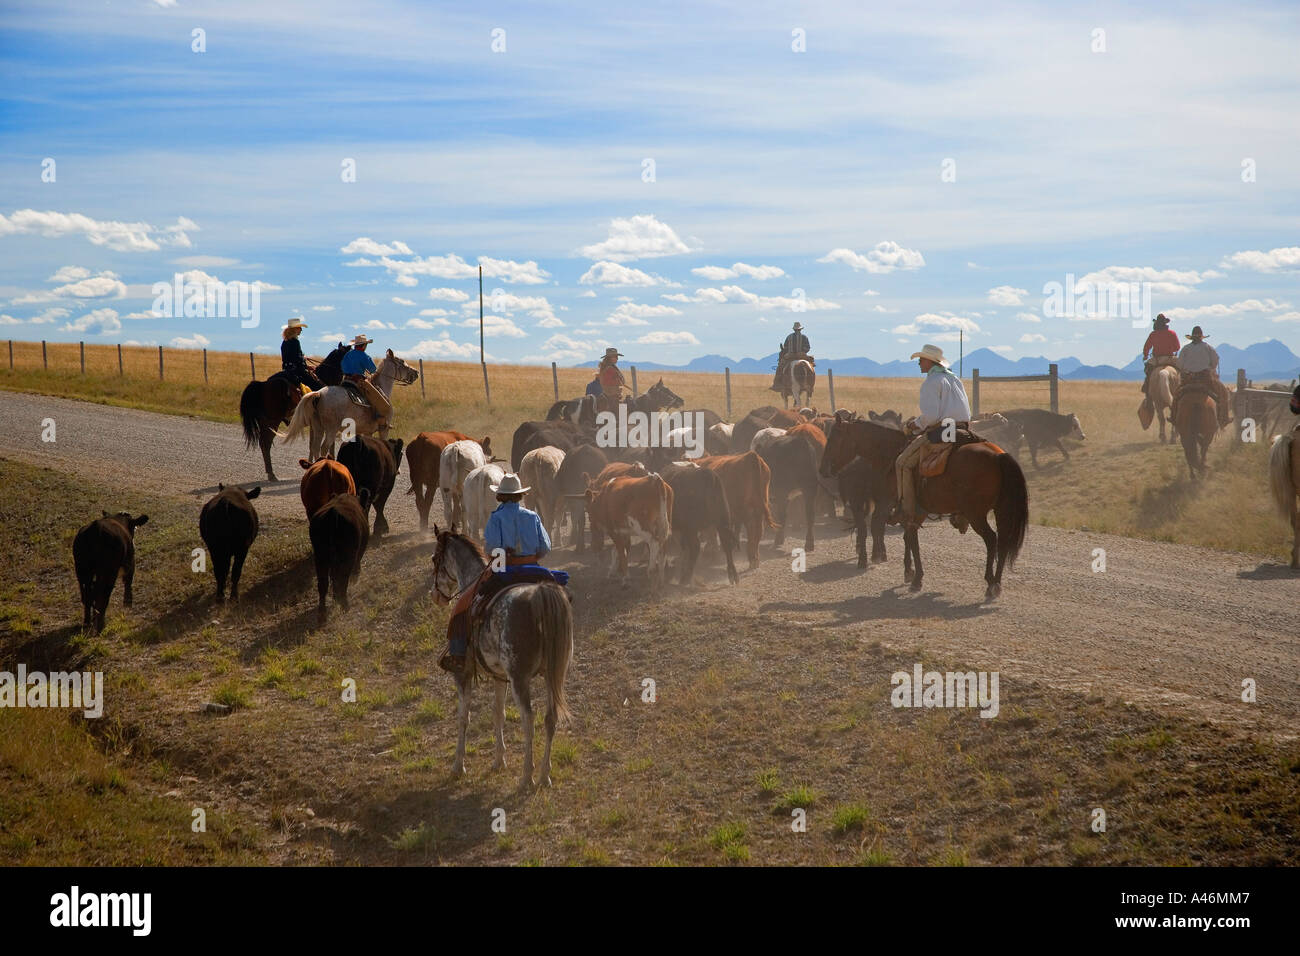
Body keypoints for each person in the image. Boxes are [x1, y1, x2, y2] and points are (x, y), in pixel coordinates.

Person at [439, 474, 565, 674]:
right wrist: (530, 558)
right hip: (534, 569)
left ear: (500, 496)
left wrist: (502, 561)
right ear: (519, 495)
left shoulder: (496, 518)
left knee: (463, 605)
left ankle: (458, 654)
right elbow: (545, 547)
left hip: (504, 570)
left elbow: (491, 550)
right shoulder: (533, 516)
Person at [889, 344, 971, 525]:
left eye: (921, 359)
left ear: (930, 362)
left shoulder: (931, 382)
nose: (919, 362)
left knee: (902, 462)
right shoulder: (955, 379)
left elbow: (932, 417)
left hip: (944, 430)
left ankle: (906, 511)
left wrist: (913, 424)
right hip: (963, 429)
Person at [1173, 326, 1232, 428]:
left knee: (1176, 396)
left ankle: (1173, 417)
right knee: (1223, 393)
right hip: (1205, 377)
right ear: (1201, 337)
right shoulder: (1208, 348)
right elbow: (1215, 361)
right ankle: (1224, 419)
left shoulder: (1186, 349)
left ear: (1192, 337)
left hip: (1188, 378)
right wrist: (1211, 368)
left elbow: (1180, 364)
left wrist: (1186, 369)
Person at [339, 333, 392, 436]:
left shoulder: (348, 354)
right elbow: (373, 370)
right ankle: (378, 418)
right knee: (375, 397)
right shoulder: (364, 355)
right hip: (358, 382)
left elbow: (342, 366)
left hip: (345, 381)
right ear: (364, 345)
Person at [1141, 313, 1180, 395]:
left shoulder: (1153, 334)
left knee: (1148, 369)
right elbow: (1177, 347)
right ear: (1165, 323)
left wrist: (1145, 355)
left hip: (1157, 359)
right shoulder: (1172, 333)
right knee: (1182, 369)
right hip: (1170, 358)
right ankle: (1182, 386)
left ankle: (1146, 387)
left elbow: (1147, 347)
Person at [280, 317, 323, 391]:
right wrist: (305, 364)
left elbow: (289, 358)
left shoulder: (284, 342)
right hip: (297, 371)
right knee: (317, 386)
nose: (301, 329)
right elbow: (297, 359)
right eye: (299, 328)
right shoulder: (295, 342)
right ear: (295, 329)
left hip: (286, 369)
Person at [770, 321, 812, 392]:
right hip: (801, 355)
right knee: (811, 364)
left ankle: (776, 384)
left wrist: (790, 351)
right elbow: (808, 347)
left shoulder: (789, 337)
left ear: (794, 329)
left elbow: (785, 348)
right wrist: (802, 352)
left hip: (790, 355)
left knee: (780, 366)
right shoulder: (804, 337)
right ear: (800, 329)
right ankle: (811, 383)